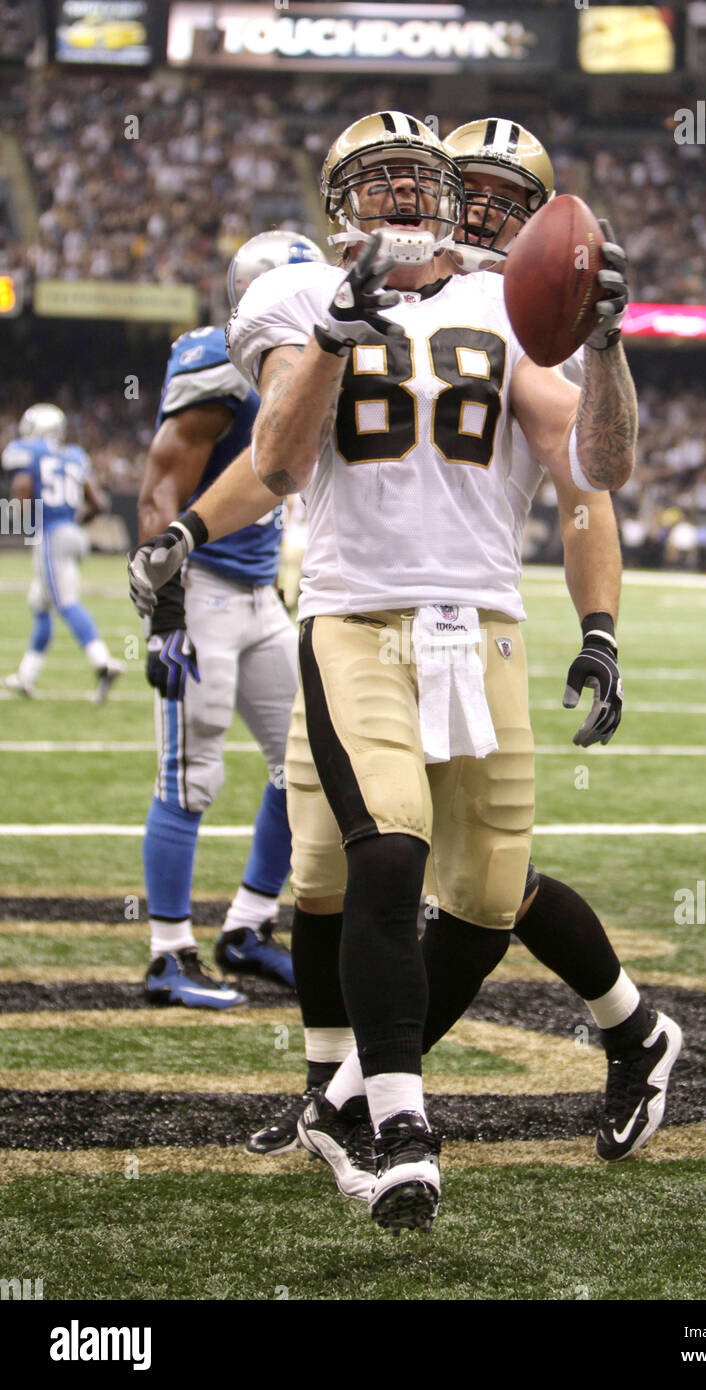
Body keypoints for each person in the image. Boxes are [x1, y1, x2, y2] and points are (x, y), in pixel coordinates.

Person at [128, 111, 651, 1233]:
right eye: (382, 185)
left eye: (422, 182)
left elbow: (595, 468)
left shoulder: (496, 312)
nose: (407, 203)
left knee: (483, 896)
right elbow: (273, 458)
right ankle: (391, 1116)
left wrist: (604, 346)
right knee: (365, 854)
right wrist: (333, 327)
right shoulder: (293, 294)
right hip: (349, 617)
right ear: (338, 205)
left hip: (484, 628)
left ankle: (346, 1096)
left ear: (451, 198)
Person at [134, 232, 324, 1010]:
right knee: (190, 776)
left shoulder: (312, 360)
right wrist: (164, 611)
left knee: (302, 761)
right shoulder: (219, 362)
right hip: (203, 590)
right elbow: (158, 487)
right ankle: (167, 953)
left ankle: (247, 927)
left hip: (257, 596)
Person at [2, 403, 125, 704]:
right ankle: (26, 676)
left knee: (66, 603)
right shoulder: (74, 455)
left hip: (52, 536)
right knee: (39, 603)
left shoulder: (30, 453)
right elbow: (98, 503)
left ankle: (102, 661)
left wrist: (19, 517)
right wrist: (73, 522)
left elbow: (21, 492)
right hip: (74, 534)